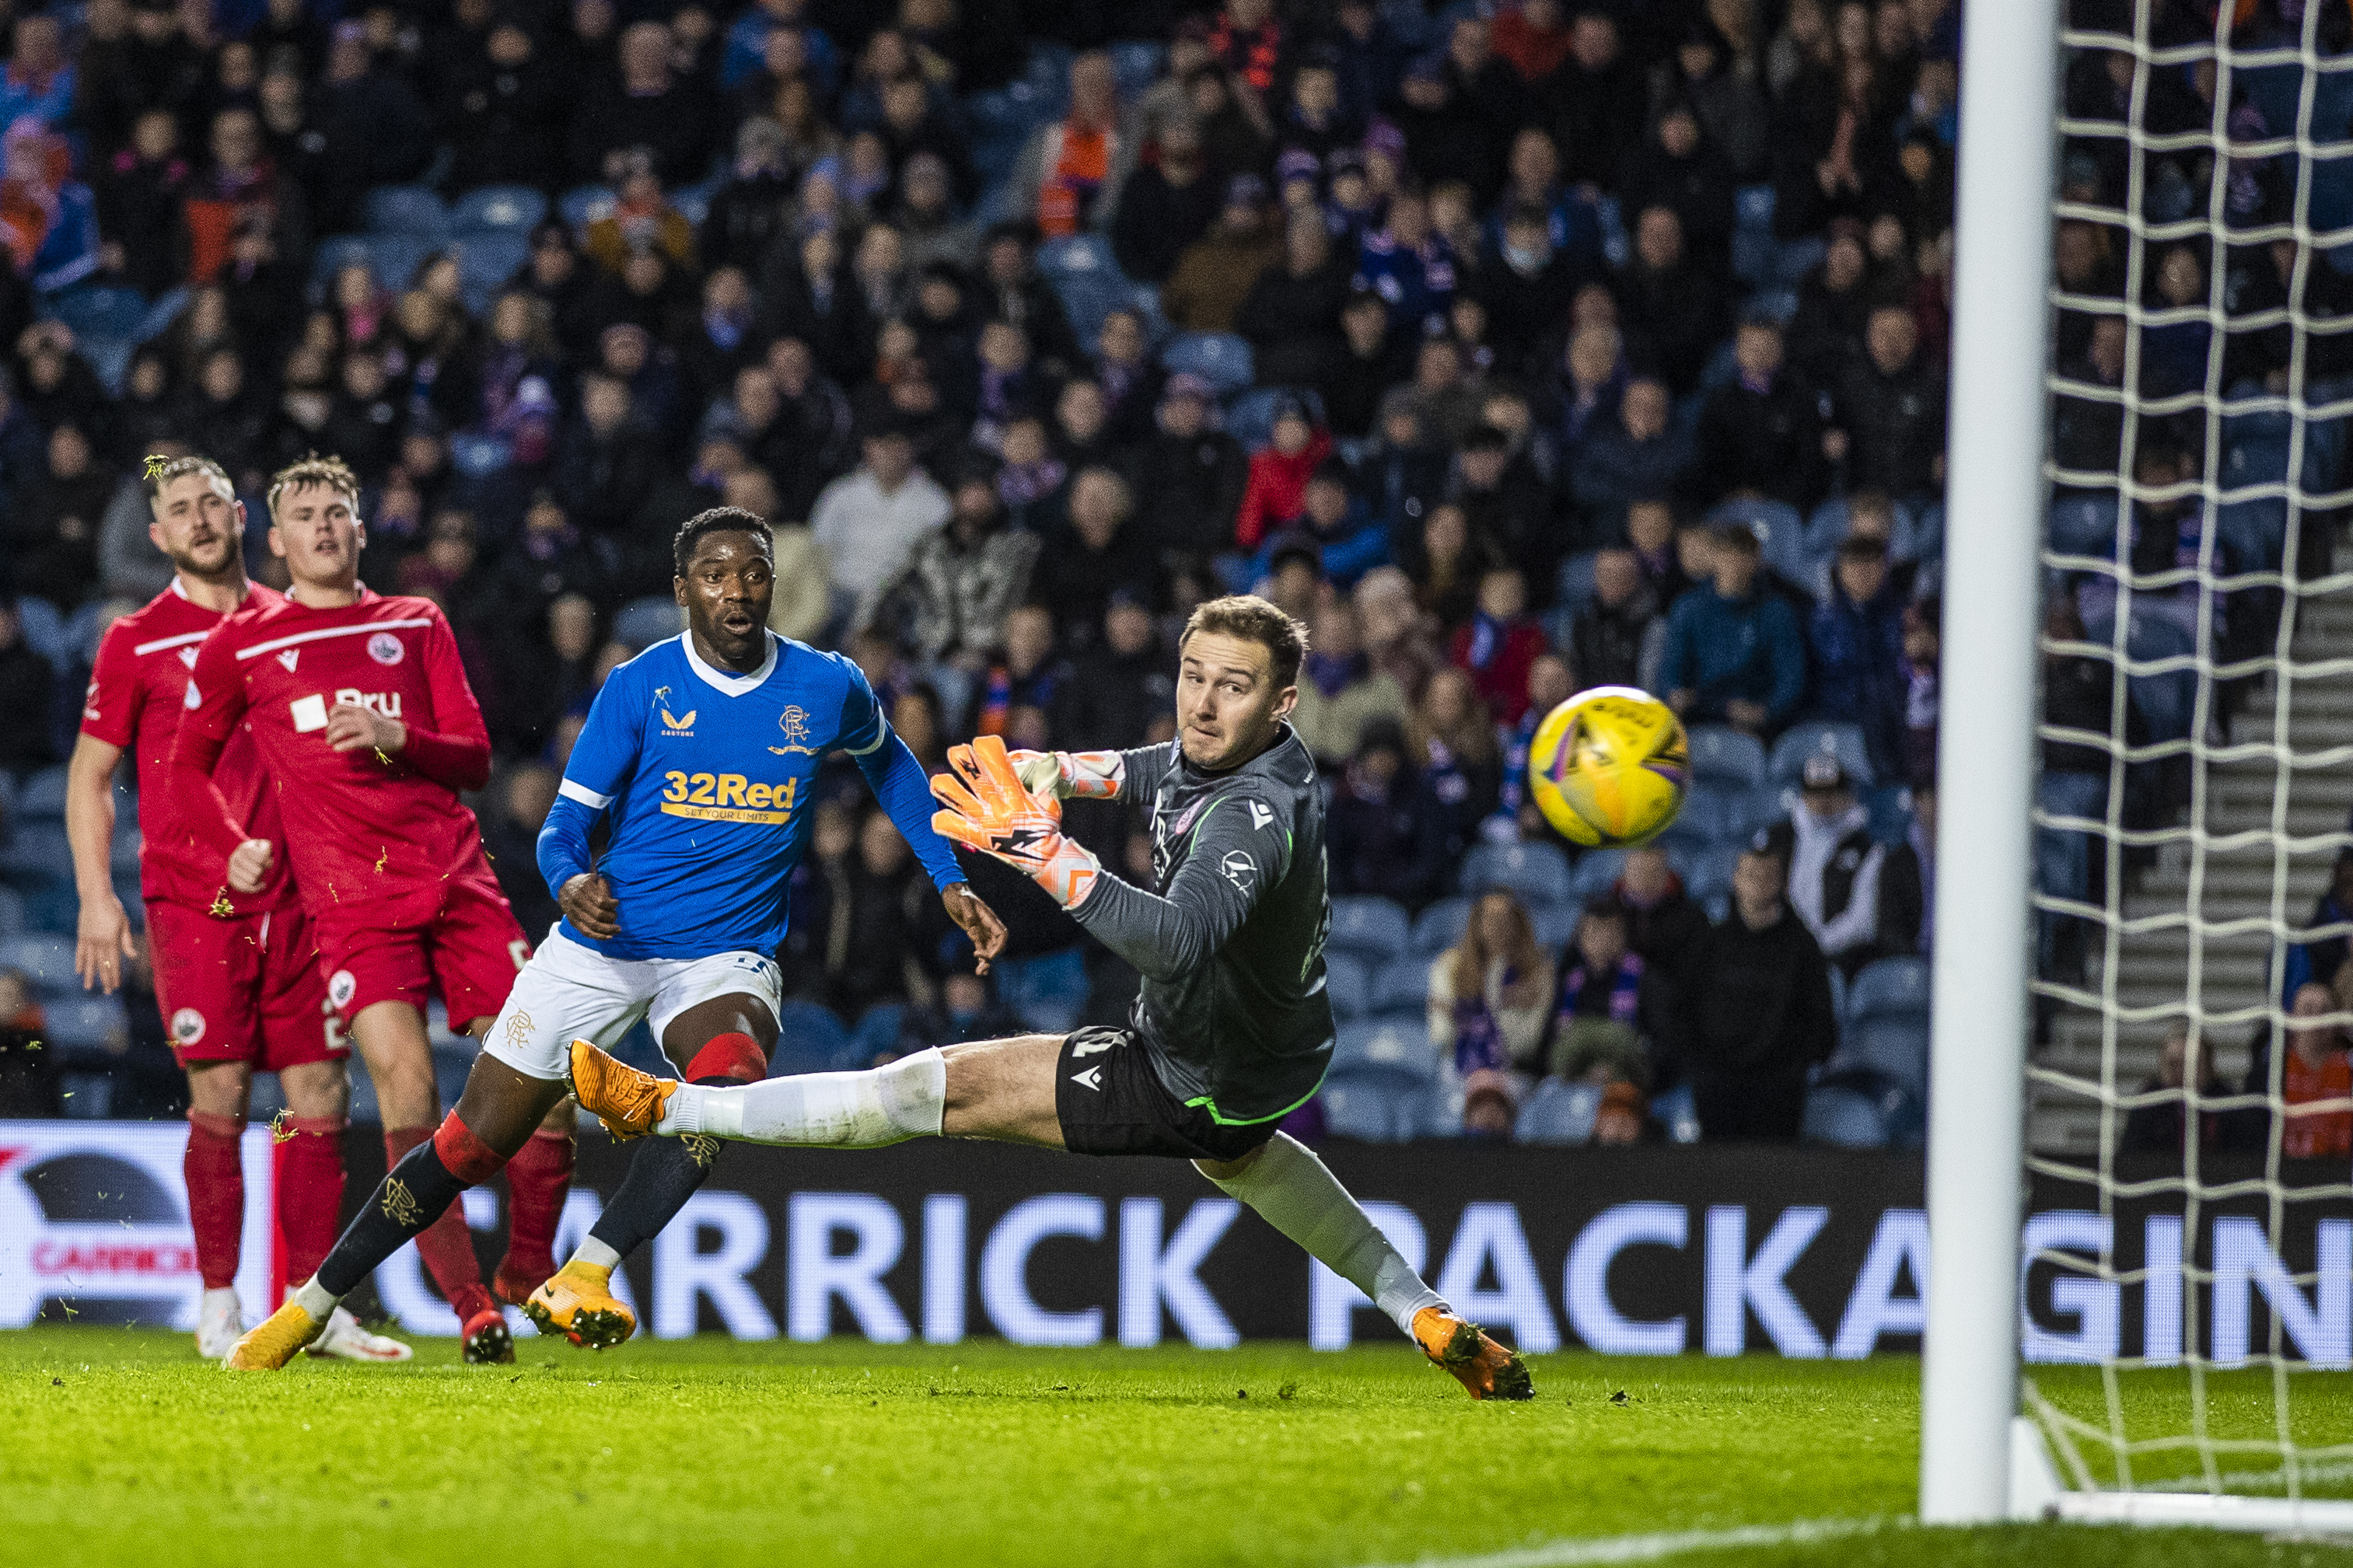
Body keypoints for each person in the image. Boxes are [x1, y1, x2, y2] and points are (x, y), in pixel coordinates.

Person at [568, 596, 1533, 1399]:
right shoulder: (1256, 757)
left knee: (920, 1090)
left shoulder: (1252, 811)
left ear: (1282, 701)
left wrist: (1041, 848)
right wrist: (1057, 771)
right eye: (1192, 675)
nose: (1202, 703)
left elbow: (1174, 942)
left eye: (1231, 687)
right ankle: (1423, 1310)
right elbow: (1155, 767)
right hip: (1269, 1066)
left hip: (1189, 1068)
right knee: (1241, 1158)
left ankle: (669, 1106)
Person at [232, 509, 1007, 1365]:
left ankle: (587, 1270)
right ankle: (311, 1306)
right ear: (682, 591)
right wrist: (571, 881)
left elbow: (889, 761)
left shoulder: (826, 685)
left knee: (727, 1089)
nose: (736, 591)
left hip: (724, 955)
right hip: (604, 945)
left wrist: (949, 876)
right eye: (714, 575)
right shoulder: (642, 685)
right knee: (467, 1147)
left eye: (752, 573)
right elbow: (563, 827)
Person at [173, 455, 557, 1367]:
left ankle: (530, 1265)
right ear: (275, 539)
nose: (322, 526)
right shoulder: (242, 644)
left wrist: (397, 736)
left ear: (359, 526)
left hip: (455, 880)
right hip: (353, 907)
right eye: (304, 514)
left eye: (336, 511)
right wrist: (232, 839)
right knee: (407, 1089)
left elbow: (474, 758)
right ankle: (472, 1308)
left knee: (539, 1070)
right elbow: (185, 764)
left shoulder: (414, 620)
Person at [63, 455, 404, 1365]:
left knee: (319, 1094)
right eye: (181, 508)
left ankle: (310, 1305)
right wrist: (96, 896)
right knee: (219, 1091)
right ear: (159, 535)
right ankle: (218, 1303)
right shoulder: (136, 639)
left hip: (305, 897)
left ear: (242, 515)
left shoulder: (299, 622)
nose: (201, 518)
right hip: (196, 898)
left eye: (212, 501)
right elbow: (90, 776)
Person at [1674, 830, 1836, 1141]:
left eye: (1768, 876)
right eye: (1751, 875)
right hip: (1716, 1087)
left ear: (1782, 882)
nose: (1759, 884)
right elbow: (1683, 1010)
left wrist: (1792, 1067)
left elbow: (1820, 1023)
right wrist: (1701, 1066)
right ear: (1736, 880)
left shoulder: (1802, 948)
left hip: (1779, 1091)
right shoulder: (1710, 943)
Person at [1657, 522, 1805, 736]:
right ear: (1714, 558)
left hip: (1753, 722)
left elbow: (1790, 677)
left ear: (1756, 561)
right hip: (1698, 715)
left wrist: (1767, 711)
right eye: (1727, 554)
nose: (1734, 563)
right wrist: (1676, 696)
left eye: (1743, 555)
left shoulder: (1776, 611)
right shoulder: (1688, 608)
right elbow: (1671, 671)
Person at [1428, 889, 1553, 1132]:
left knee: (1492, 1105)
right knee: (1455, 1093)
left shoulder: (1537, 971)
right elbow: (1441, 1036)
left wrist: (1492, 999)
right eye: (1489, 918)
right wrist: (1498, 1004)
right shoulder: (1450, 966)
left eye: (1505, 919)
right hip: (1460, 1072)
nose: (1497, 926)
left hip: (1513, 1073)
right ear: (1476, 923)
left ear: (1518, 924)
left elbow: (1525, 1044)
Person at [1786, 754, 1888, 979]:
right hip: (1785, 955)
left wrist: (1815, 947)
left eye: (1832, 792)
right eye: (1815, 792)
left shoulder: (1867, 847)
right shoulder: (1781, 838)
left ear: (1848, 795)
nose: (1823, 801)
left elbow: (1862, 922)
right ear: (1803, 795)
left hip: (1840, 959)